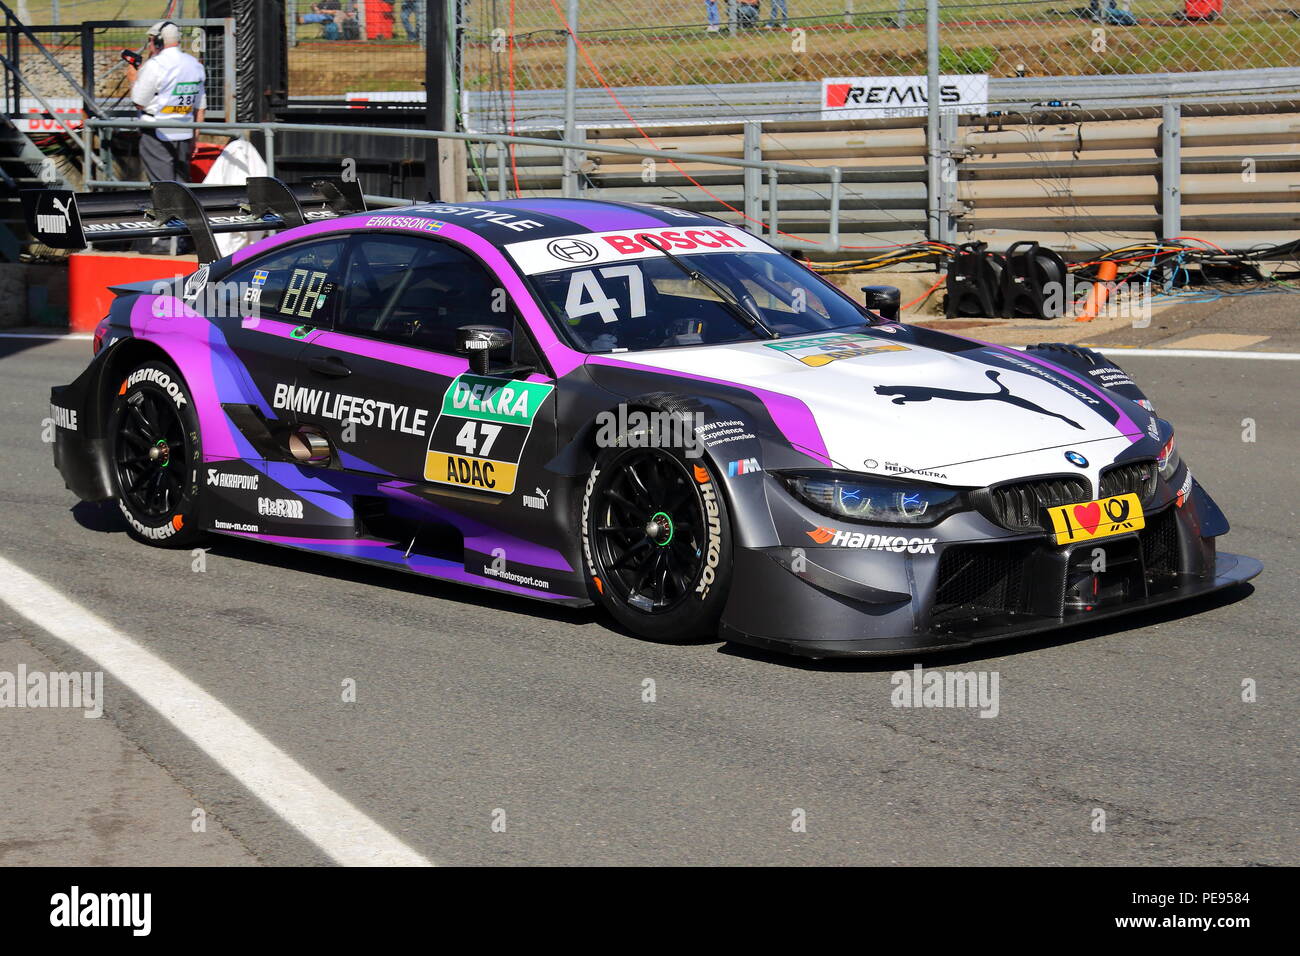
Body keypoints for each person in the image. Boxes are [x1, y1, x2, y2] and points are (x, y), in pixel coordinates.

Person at [126, 21, 205, 184]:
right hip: (184, 131)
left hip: (156, 132)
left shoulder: (155, 65)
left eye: (150, 40)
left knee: (163, 187)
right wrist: (194, 138)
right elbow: (200, 108)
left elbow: (139, 101)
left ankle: (168, 210)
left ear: (157, 41)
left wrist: (133, 79)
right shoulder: (194, 64)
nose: (149, 45)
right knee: (181, 185)